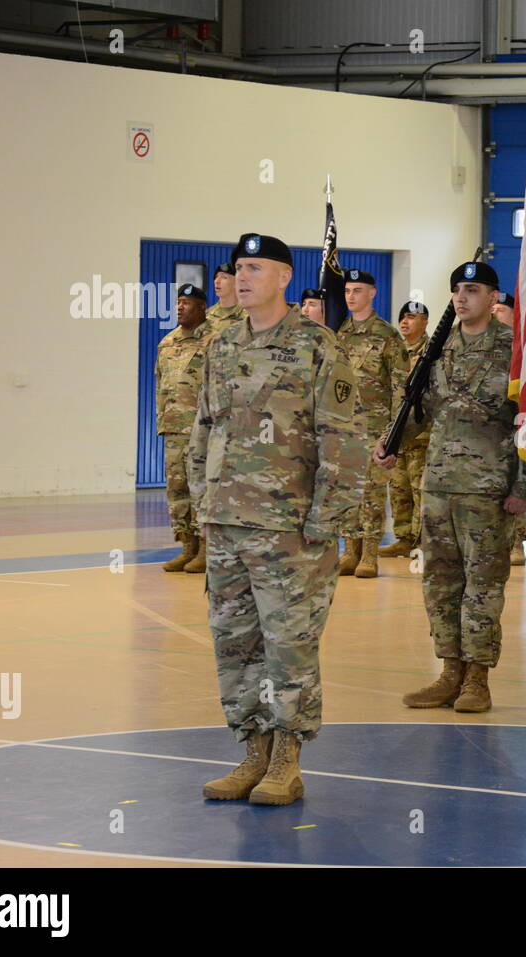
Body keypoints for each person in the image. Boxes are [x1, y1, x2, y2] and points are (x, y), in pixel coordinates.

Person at [188, 233, 367, 805]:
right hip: (226, 522)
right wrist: (202, 504)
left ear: (284, 278)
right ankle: (253, 752)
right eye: (240, 267)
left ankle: (287, 759)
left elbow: (345, 437)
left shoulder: (317, 345)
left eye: (256, 268)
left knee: (287, 646)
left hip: (291, 528)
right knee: (235, 644)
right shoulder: (220, 345)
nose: (243, 277)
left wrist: (326, 519)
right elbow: (204, 428)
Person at [373, 261, 526, 712]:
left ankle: (478, 680)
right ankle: (449, 673)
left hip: (488, 489)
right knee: (440, 584)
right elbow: (419, 409)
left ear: (493, 297)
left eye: (473, 289)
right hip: (438, 485)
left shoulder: (514, 351)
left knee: (482, 587)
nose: (462, 298)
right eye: (457, 291)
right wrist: (391, 441)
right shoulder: (437, 351)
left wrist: (525, 488)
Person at [336, 269, 407, 578]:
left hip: (375, 428)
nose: (351, 295)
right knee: (347, 493)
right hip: (346, 428)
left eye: (358, 290)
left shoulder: (387, 335)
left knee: (372, 495)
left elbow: (399, 386)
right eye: (348, 290)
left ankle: (369, 555)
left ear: (372, 293)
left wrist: (392, 433)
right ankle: (349, 551)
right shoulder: (341, 333)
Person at [155, 283, 215, 573]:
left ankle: (205, 548)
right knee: (177, 490)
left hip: (203, 430)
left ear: (202, 307)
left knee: (201, 489)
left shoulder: (215, 341)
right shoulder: (167, 343)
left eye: (187, 303)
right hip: (173, 429)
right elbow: (160, 385)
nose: (180, 307)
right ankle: (186, 547)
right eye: (178, 302)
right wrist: (163, 419)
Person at [381, 300, 431, 558]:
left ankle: (423, 540)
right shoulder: (395, 351)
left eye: (412, 317)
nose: (404, 321)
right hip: (397, 432)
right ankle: (404, 538)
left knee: (420, 488)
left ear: (425, 322)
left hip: (422, 435)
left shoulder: (433, 352)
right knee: (399, 488)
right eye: (402, 316)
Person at [491, 289, 526, 565]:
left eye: (501, 310)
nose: (495, 314)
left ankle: (518, 541)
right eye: (492, 310)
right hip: (491, 436)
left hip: (518, 429)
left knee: (518, 481)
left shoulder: (524, 350)